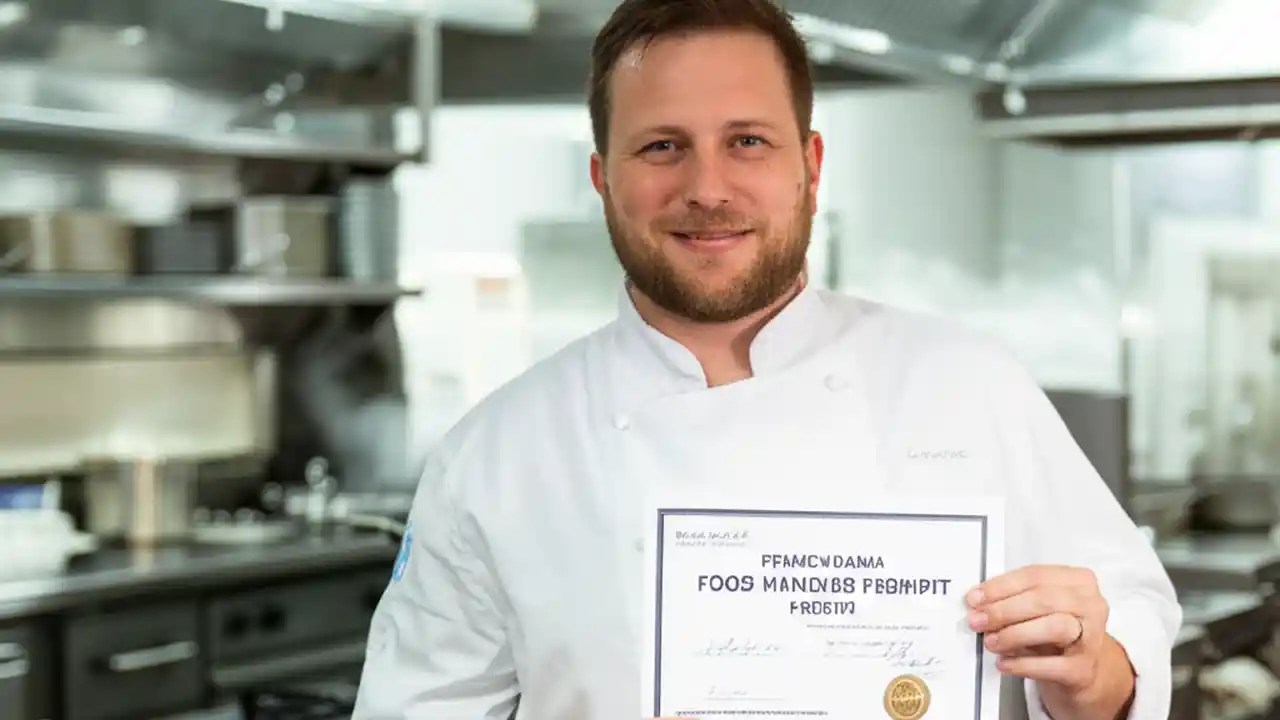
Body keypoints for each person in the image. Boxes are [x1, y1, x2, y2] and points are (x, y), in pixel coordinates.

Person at [351, 0, 1181, 718]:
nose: (708, 188)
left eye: (747, 140)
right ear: (603, 178)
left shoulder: (967, 384)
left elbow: (1125, 631)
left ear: (809, 168)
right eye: (662, 147)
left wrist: (1091, 675)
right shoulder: (493, 458)